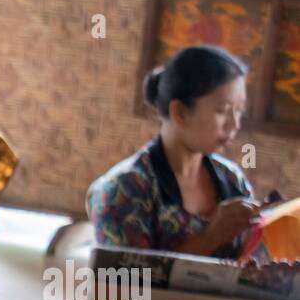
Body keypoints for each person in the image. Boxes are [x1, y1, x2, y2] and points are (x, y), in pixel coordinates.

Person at [87, 45, 262, 261]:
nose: (234, 124)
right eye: (223, 111)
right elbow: (122, 287)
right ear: (180, 112)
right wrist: (211, 237)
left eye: (239, 111)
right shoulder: (125, 188)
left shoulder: (232, 179)